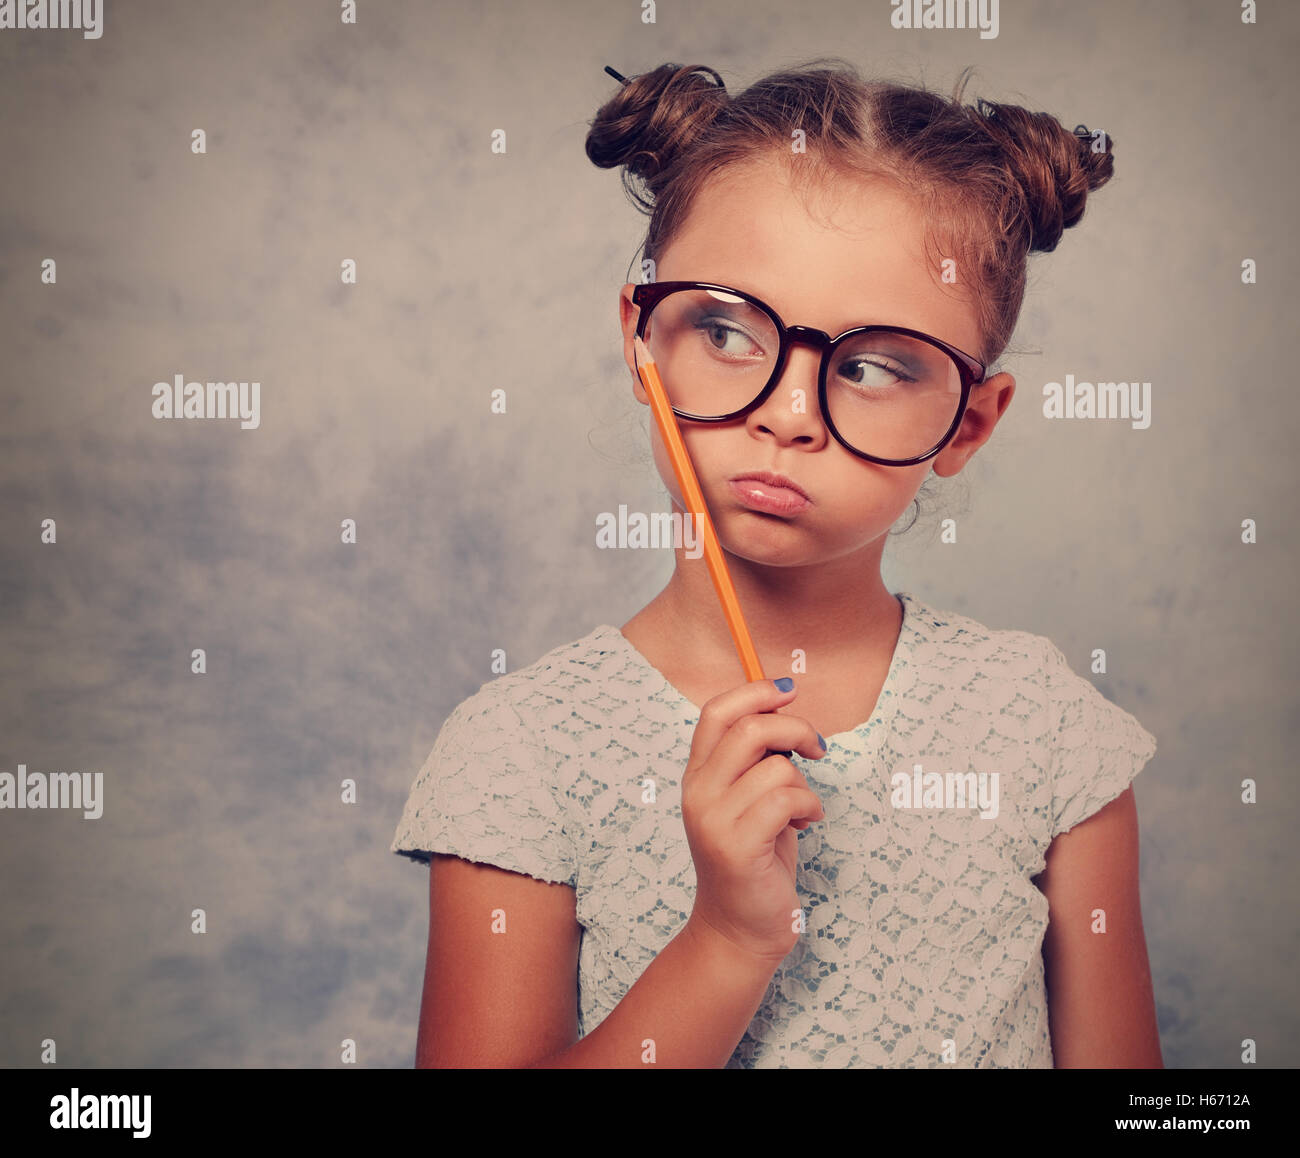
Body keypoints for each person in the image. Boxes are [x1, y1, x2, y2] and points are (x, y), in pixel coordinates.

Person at [390, 58, 1162, 1069]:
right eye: (724, 329)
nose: (786, 415)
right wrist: (727, 941)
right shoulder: (519, 753)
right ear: (642, 341)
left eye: (876, 365)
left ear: (968, 422)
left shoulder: (1050, 732)